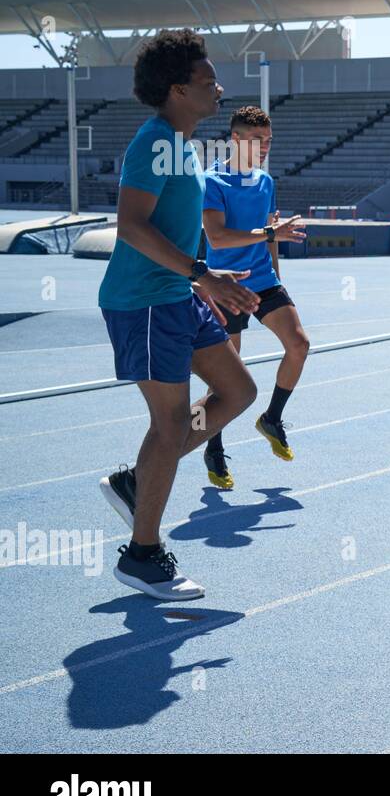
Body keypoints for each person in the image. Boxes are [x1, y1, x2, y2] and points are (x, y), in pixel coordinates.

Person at [97, 29, 260, 600]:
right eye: (207, 80)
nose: (219, 87)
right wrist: (202, 276)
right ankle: (142, 554)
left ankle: (139, 480)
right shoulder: (153, 142)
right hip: (143, 300)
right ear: (176, 90)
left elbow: (176, 228)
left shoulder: (183, 144)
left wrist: (208, 281)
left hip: (177, 295)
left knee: (237, 392)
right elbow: (132, 226)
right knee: (168, 426)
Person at [200, 105, 308, 489]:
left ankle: (272, 418)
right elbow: (218, 238)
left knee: (299, 344)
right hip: (226, 283)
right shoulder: (212, 181)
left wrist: (276, 275)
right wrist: (269, 235)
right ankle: (212, 444)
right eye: (257, 140)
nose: (264, 147)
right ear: (235, 139)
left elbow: (269, 230)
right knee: (226, 374)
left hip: (262, 279)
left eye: (269, 141)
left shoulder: (265, 181)